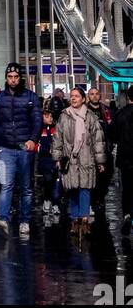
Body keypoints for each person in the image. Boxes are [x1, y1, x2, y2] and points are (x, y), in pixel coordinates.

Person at [0, 62, 42, 238]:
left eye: (16, 77)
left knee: (26, 186)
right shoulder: (0, 98)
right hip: (5, 147)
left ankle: (24, 221)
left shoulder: (31, 97)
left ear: (20, 78)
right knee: (6, 185)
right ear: (6, 78)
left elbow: (37, 121)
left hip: (24, 147)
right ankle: (3, 220)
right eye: (10, 77)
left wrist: (33, 140)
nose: (13, 80)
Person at [52, 84, 106, 239]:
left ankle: (84, 220)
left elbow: (98, 141)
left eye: (76, 96)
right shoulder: (64, 115)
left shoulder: (91, 117)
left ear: (83, 99)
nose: (73, 98)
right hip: (70, 159)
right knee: (72, 189)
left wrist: (100, 161)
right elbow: (58, 138)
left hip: (86, 158)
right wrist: (57, 158)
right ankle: (75, 220)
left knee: (85, 189)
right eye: (72, 96)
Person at [86, 86, 115, 213]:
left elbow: (112, 127)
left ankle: (101, 196)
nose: (94, 96)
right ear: (88, 96)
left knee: (107, 175)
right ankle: (94, 200)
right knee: (93, 176)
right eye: (92, 94)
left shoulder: (106, 110)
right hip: (90, 149)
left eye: (97, 93)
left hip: (105, 148)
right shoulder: (85, 110)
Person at [36, 109, 62, 219]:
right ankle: (47, 201)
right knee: (47, 180)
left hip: (55, 161)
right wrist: (44, 150)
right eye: (47, 117)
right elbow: (36, 144)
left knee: (57, 182)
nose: (50, 118)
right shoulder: (38, 130)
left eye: (51, 116)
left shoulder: (55, 129)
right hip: (44, 160)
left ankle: (55, 203)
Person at [114, 90, 133, 236]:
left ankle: (127, 214)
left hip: (125, 157)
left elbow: (112, 134)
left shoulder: (121, 114)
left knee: (126, 189)